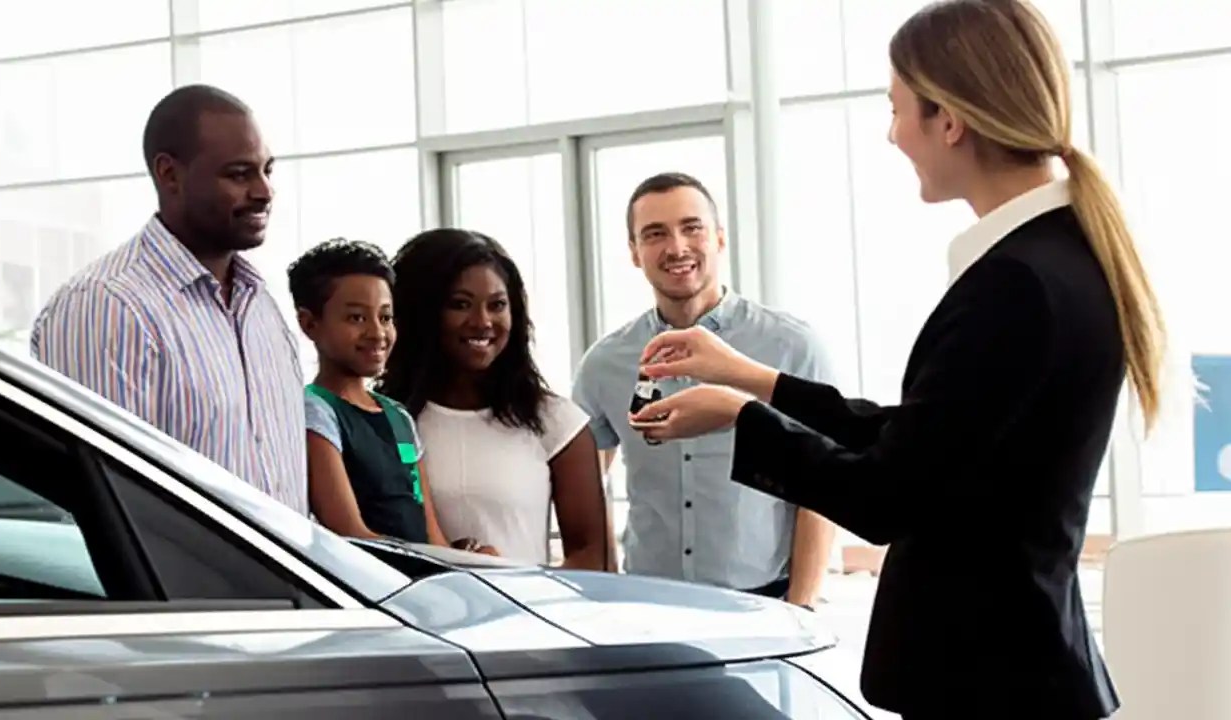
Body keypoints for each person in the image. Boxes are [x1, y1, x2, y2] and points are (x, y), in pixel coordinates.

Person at [628, 2, 1165, 718]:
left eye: (898, 109)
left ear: (950, 119)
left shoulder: (1016, 284)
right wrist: (754, 378)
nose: (892, 134)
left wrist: (740, 416)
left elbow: (888, 495)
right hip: (1016, 675)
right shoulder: (1058, 260)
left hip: (990, 684)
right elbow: (927, 442)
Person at [31, 84, 308, 514]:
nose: (264, 191)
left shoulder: (261, 306)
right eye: (239, 174)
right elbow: (106, 505)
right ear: (169, 174)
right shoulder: (107, 306)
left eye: (266, 170)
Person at [572, 172, 835, 607]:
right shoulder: (605, 362)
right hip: (647, 603)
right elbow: (585, 482)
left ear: (718, 238)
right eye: (655, 234)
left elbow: (822, 489)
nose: (676, 247)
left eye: (691, 227)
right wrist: (606, 588)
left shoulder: (793, 346)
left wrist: (801, 607)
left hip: (764, 602)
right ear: (635, 253)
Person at [384, 228, 613, 570]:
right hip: (406, 616)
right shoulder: (381, 419)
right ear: (421, 311)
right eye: (460, 304)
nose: (482, 322)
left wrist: (510, 588)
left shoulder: (557, 421)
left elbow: (592, 560)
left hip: (523, 619)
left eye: (497, 305)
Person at [287, 238, 497, 554]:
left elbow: (430, 533)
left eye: (385, 317)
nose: (377, 333)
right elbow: (349, 532)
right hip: (371, 584)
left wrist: (464, 557)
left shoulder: (398, 417)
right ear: (309, 323)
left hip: (417, 579)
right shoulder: (315, 411)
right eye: (356, 318)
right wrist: (431, 561)